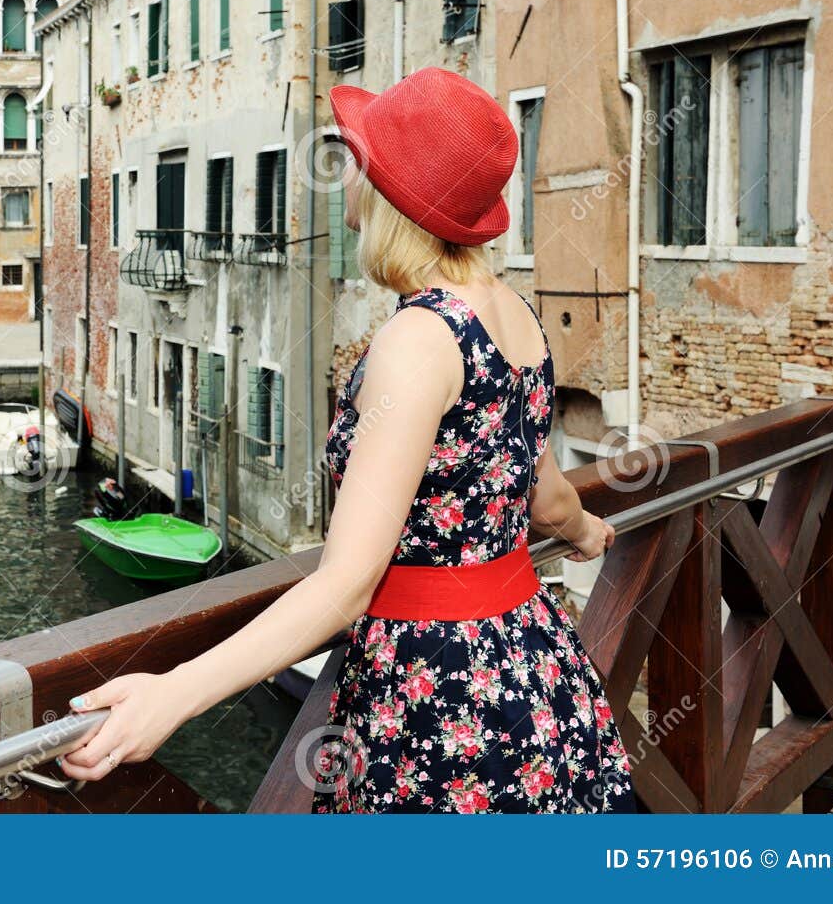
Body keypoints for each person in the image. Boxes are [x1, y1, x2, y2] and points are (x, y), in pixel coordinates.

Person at [58, 67, 635, 813]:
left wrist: (172, 694)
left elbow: (345, 583)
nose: (349, 177)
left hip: (445, 696)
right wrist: (590, 530)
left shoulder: (418, 340)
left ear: (394, 196)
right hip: (534, 664)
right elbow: (546, 494)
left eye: (361, 162)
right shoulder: (514, 313)